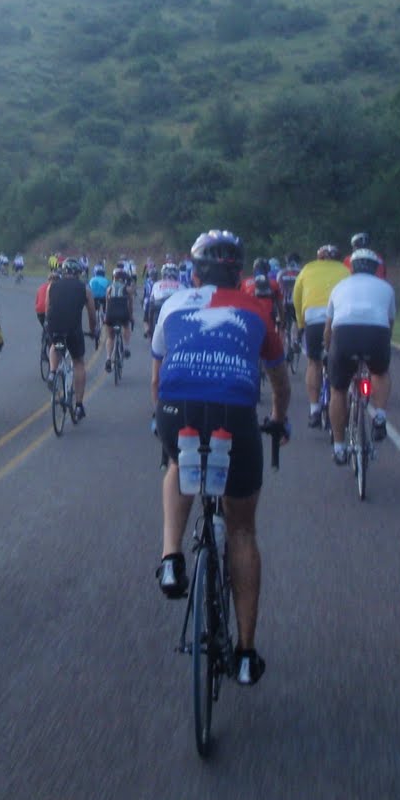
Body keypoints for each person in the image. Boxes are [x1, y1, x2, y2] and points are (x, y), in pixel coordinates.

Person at [152, 230, 290, 687]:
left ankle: (171, 558)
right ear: (240, 273)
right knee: (243, 528)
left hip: (179, 406)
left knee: (176, 463)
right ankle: (246, 653)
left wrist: (162, 421)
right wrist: (279, 420)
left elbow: (158, 374)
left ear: (193, 273)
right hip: (235, 411)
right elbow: (280, 382)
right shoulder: (259, 310)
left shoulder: (173, 304)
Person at [322, 248, 396, 460]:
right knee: (380, 373)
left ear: (351, 267)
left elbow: (329, 327)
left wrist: (329, 350)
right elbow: (389, 324)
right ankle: (380, 416)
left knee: (338, 389)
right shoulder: (386, 288)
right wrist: (381, 349)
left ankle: (338, 447)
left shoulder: (339, 287)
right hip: (376, 334)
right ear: (376, 268)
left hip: (344, 334)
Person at [289, 244, 349, 427]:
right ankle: (342, 405)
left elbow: (296, 298)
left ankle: (314, 409)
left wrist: (300, 324)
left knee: (314, 362)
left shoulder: (307, 269)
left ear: (318, 257)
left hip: (313, 319)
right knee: (342, 364)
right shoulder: (345, 270)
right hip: (339, 319)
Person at [44, 257, 98, 419]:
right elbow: (92, 314)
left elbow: (47, 310)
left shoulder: (51, 286)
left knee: (55, 345)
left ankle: (53, 372)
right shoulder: (85, 289)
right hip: (73, 329)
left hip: (54, 326)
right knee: (78, 362)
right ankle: (79, 405)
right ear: (78, 273)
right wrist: (93, 330)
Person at [102, 268, 135, 372]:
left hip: (111, 314)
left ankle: (108, 358)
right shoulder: (127, 289)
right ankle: (126, 347)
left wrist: (106, 317)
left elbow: (107, 305)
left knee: (110, 337)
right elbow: (130, 305)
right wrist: (131, 316)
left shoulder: (109, 288)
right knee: (126, 326)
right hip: (122, 313)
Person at [143, 261, 182, 339]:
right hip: (175, 306)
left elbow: (152, 297)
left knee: (148, 306)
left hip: (159, 304)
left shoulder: (157, 284)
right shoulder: (181, 285)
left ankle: (149, 329)